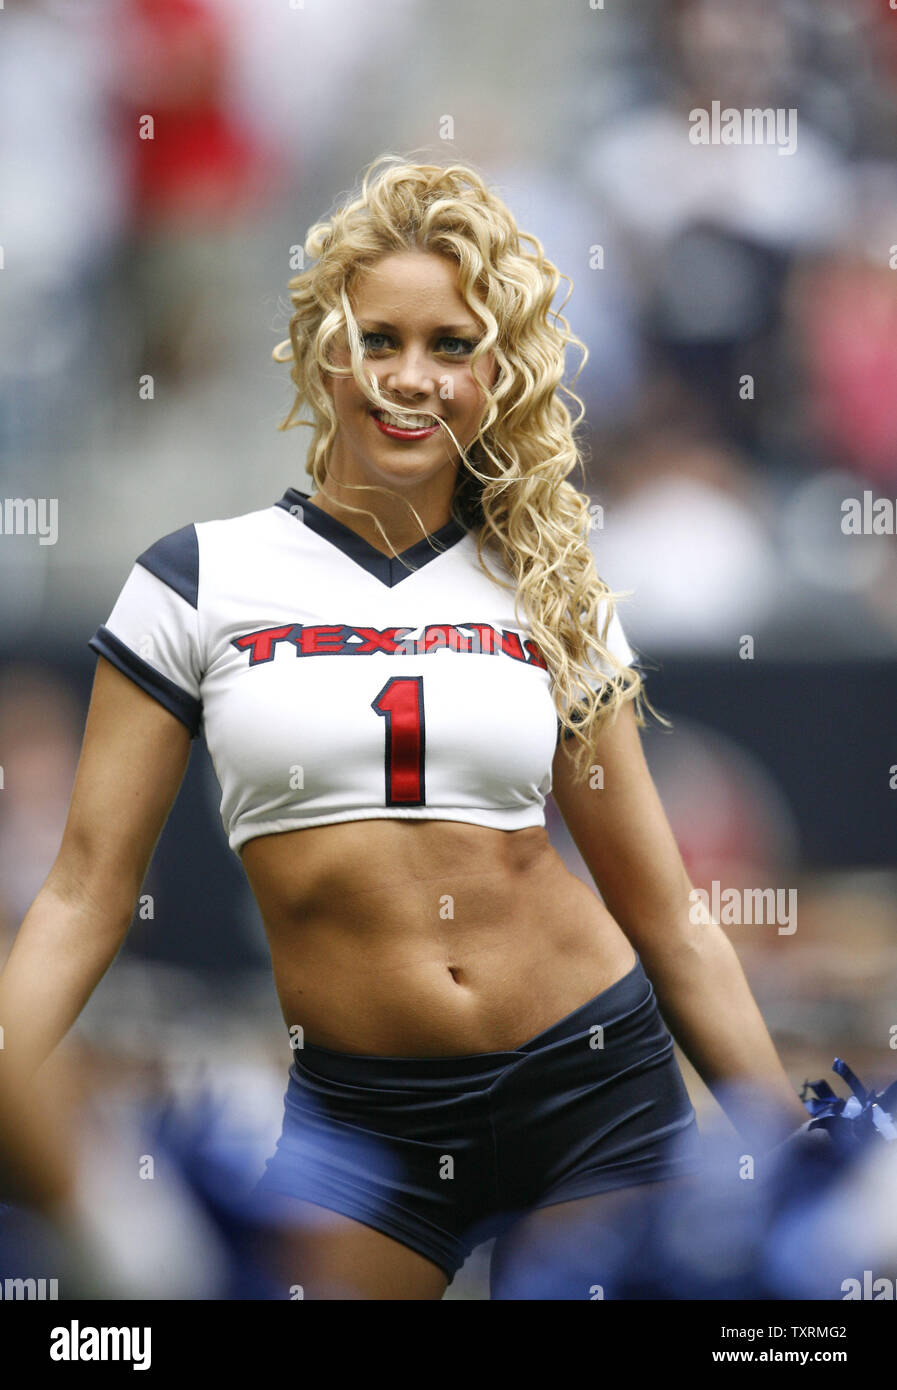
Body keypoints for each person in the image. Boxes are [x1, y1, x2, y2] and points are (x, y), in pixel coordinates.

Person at [0, 155, 808, 1301]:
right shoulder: (195, 578)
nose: (410, 378)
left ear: (497, 369)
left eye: (452, 346)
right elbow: (84, 893)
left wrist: (786, 1155)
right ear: (325, 347)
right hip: (359, 1122)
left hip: (591, 1083)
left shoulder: (548, 582)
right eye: (379, 339)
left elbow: (669, 914)